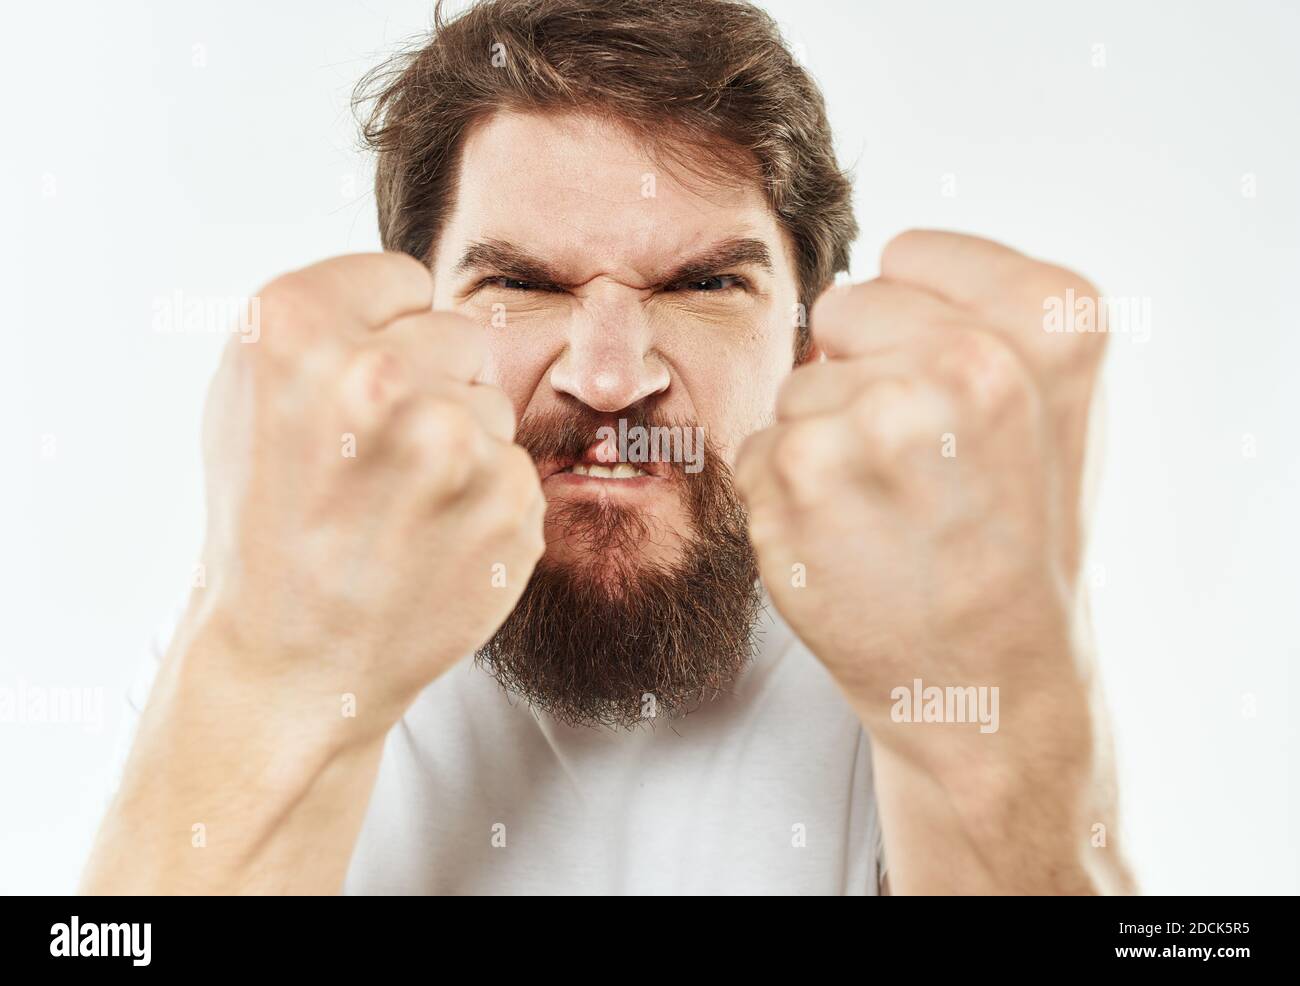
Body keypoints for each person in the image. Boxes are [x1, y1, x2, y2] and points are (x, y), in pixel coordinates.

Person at [82, 0, 1134, 895]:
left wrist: (1006, 716)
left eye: (703, 285)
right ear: (416, 327)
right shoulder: (257, 616)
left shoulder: (913, 638)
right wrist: (275, 673)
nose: (611, 374)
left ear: (811, 341)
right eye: (523, 284)